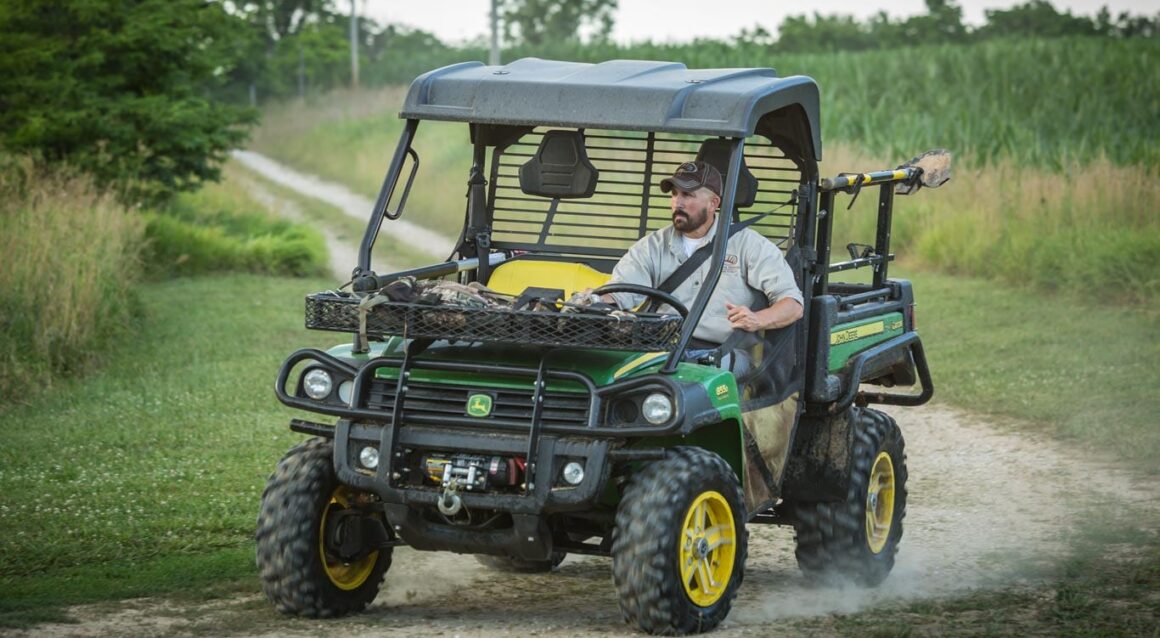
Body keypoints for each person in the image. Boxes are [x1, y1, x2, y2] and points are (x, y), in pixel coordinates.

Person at [598, 160, 804, 371]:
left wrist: (757, 319)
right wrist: (595, 301)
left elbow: (793, 306)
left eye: (688, 195)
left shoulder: (750, 246)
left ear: (713, 203)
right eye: (675, 194)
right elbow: (620, 292)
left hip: (721, 353)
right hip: (660, 349)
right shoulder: (651, 246)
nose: (678, 203)